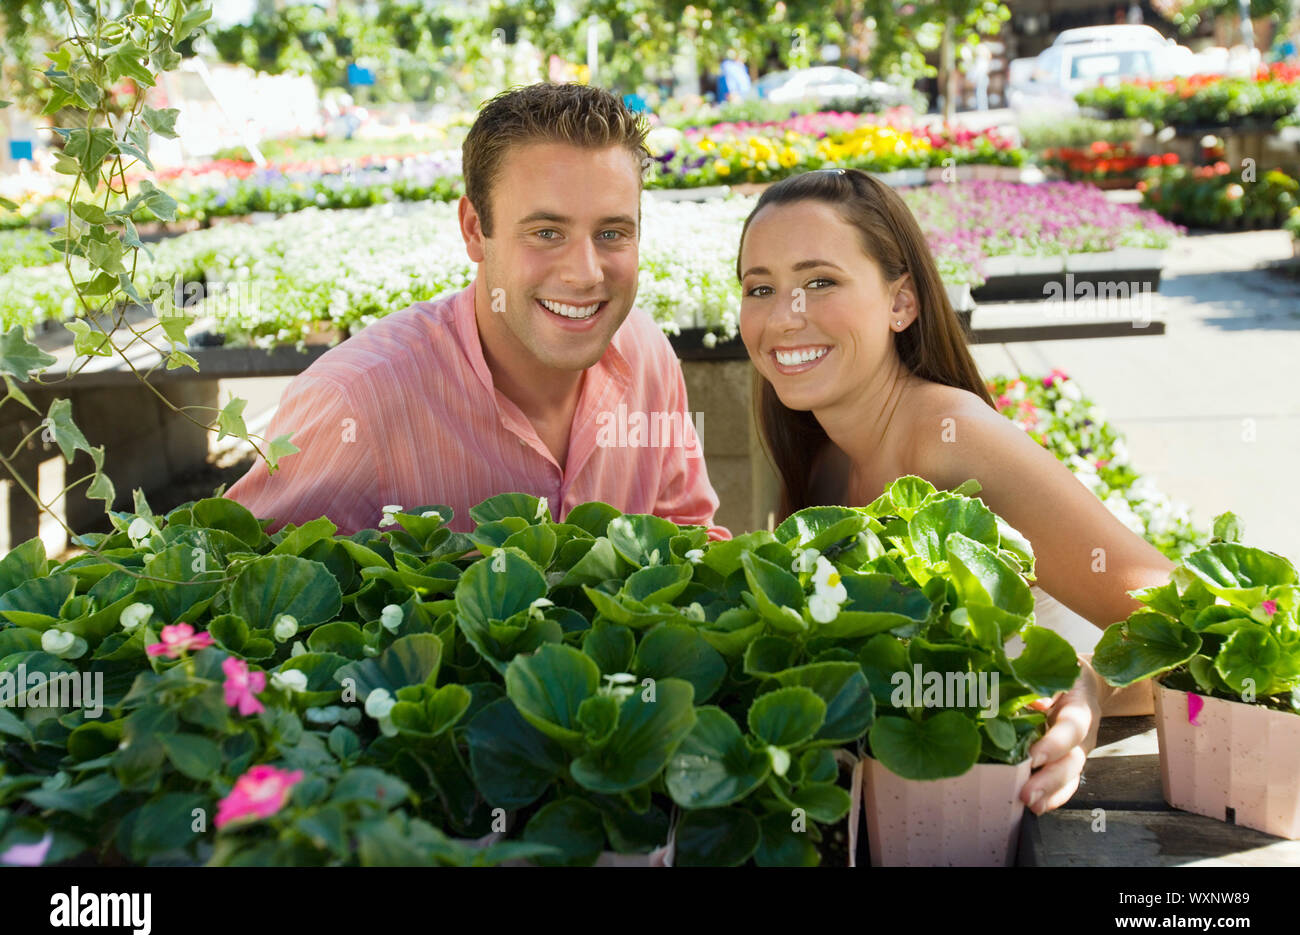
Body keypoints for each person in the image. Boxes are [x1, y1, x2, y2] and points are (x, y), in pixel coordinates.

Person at [734, 168, 1178, 816]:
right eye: (760, 288)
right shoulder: (814, 454)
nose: (783, 316)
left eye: (819, 281)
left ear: (901, 302)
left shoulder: (954, 439)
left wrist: (1086, 685)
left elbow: (1194, 616)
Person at [224, 83, 727, 540]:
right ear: (473, 230)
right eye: (546, 233)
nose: (585, 273)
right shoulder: (355, 401)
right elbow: (248, 590)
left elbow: (686, 536)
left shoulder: (648, 356)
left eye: (612, 233)